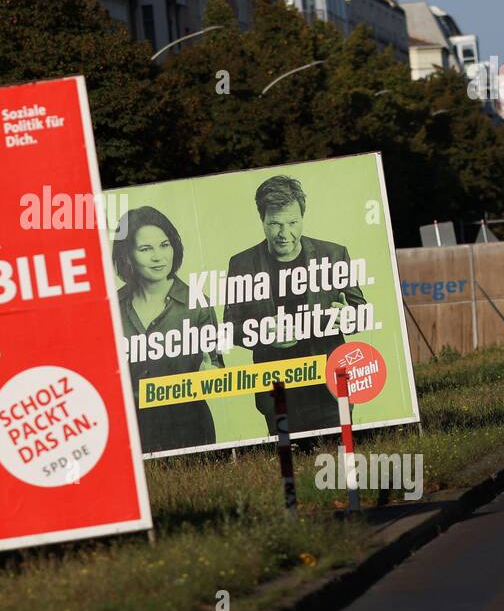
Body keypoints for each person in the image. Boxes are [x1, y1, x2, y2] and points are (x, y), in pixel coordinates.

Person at [223, 175, 366, 436]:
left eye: (292, 222)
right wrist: (262, 332)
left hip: (330, 386)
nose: (284, 234)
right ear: (262, 220)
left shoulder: (333, 255)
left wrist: (349, 316)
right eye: (275, 224)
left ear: (303, 216)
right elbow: (230, 328)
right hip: (276, 389)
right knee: (290, 467)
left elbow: (360, 313)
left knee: (339, 462)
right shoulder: (242, 264)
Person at [112, 206, 223, 453]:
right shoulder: (111, 308)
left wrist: (210, 374)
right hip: (132, 433)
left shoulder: (197, 303)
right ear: (127, 255)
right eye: (145, 249)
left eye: (164, 245)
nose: (159, 257)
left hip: (190, 429)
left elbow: (216, 366)